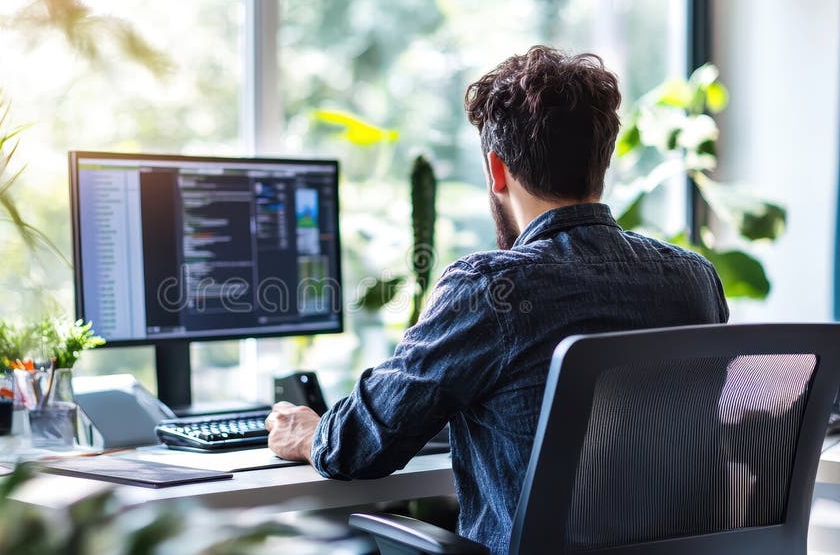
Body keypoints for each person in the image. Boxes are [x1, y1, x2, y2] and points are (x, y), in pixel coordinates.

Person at [265, 45, 729, 555]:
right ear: (603, 158)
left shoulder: (490, 289)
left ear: (496, 169)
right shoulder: (694, 280)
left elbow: (361, 445)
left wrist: (310, 434)